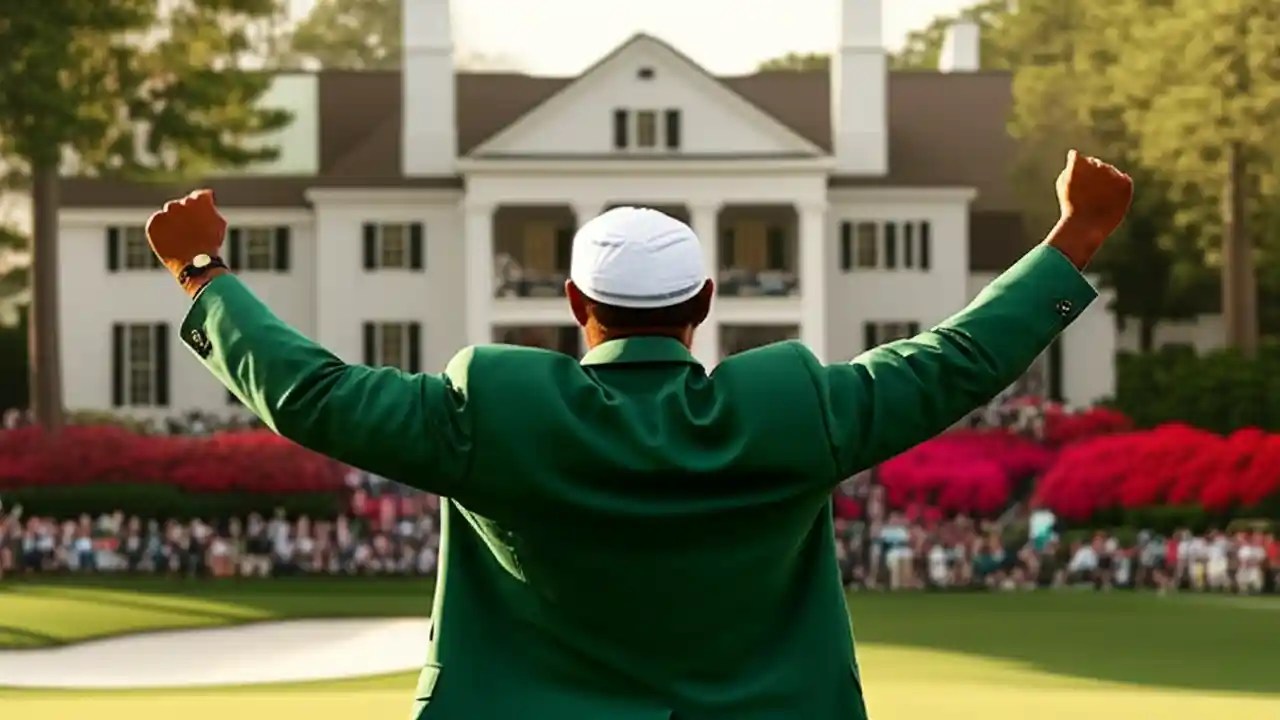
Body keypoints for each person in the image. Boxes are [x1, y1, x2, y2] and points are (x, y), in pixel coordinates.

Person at [144, 149, 1131, 719]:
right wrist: (1072, 236)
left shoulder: (492, 411)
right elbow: (955, 358)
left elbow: (309, 392)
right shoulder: (791, 410)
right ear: (704, 302)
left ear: (574, 302)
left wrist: (202, 272)